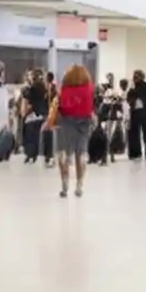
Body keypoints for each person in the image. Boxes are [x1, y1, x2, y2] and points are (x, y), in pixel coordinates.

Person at [50, 64, 95, 198]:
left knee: (63, 153)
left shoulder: (64, 89)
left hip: (66, 121)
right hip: (84, 122)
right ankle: (79, 186)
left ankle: (64, 186)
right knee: (80, 153)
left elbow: (60, 106)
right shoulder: (89, 88)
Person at [21, 70, 52, 165]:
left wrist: (24, 113)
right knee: (46, 137)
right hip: (44, 116)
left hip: (32, 117)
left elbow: (25, 106)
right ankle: (48, 157)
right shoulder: (46, 90)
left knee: (31, 137)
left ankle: (30, 156)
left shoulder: (29, 90)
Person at [126, 70, 146, 161]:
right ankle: (135, 153)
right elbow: (128, 97)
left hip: (144, 112)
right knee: (133, 133)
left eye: (137, 76)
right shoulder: (132, 86)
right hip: (134, 112)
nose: (135, 77)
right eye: (134, 76)